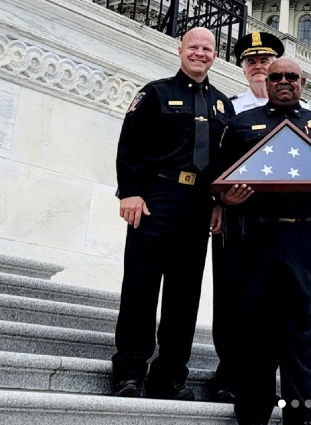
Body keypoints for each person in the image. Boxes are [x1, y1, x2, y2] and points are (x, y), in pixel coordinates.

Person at [218, 57, 311, 425]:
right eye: (275, 76)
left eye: (291, 76)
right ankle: (253, 412)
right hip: (258, 237)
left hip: (306, 238)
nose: (283, 81)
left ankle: (301, 413)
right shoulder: (241, 124)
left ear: (302, 83)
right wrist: (227, 198)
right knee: (255, 325)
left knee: (303, 329)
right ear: (266, 81)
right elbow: (221, 174)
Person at [111, 27, 232, 400]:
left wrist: (219, 202)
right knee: (141, 285)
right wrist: (130, 192)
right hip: (157, 197)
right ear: (180, 50)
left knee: (185, 294)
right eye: (193, 46)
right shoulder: (155, 93)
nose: (200, 53)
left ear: (215, 55)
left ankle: (169, 376)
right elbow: (130, 144)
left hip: (198, 204)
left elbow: (225, 161)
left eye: (207, 48)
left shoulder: (222, 105)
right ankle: (130, 372)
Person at [210, 29, 287, 403]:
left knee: (274, 300)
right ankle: (228, 373)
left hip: (281, 222)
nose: (259, 66)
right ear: (243, 68)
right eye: (251, 61)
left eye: (265, 60)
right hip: (238, 217)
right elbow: (216, 162)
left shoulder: (298, 112)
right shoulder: (228, 109)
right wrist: (218, 202)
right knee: (230, 296)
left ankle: (262, 376)